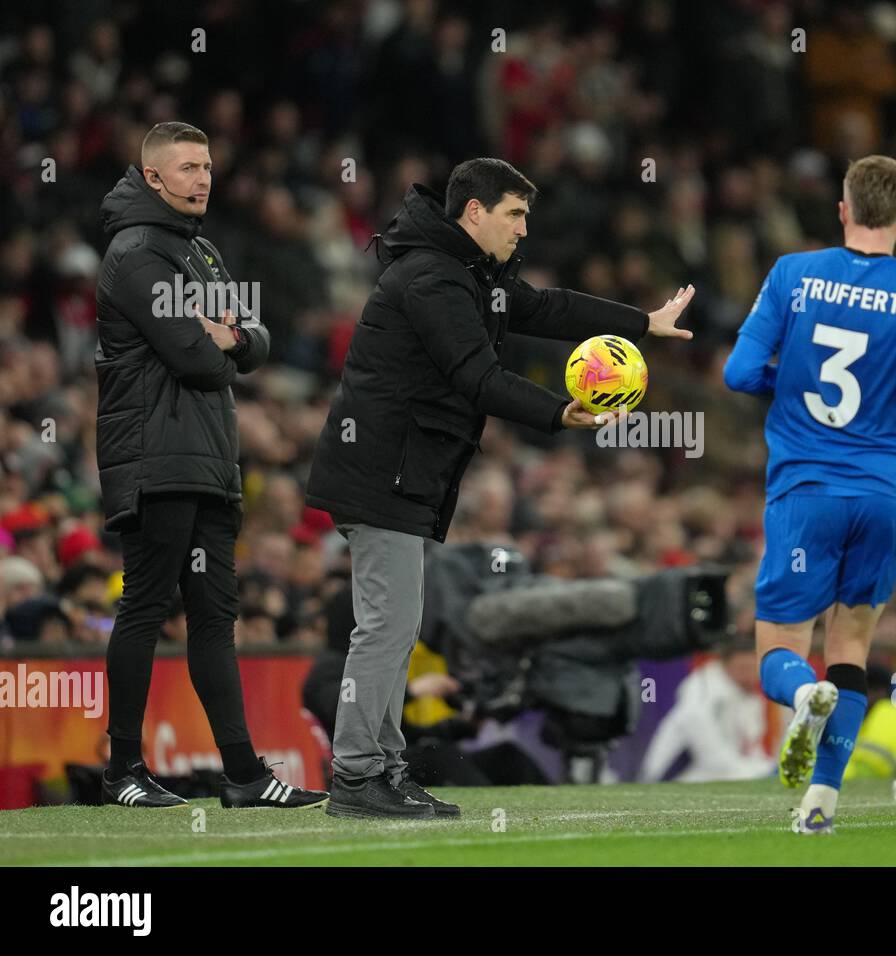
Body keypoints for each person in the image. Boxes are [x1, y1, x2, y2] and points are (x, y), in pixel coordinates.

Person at [305, 157, 694, 819]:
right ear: (475, 211)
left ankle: (384, 771)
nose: (522, 230)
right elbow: (476, 376)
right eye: (514, 214)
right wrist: (558, 412)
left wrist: (640, 322)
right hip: (382, 474)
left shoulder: (461, 273)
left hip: (403, 474)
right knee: (385, 630)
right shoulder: (432, 277)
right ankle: (358, 776)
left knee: (396, 629)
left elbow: (545, 306)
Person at [723, 155, 896, 834]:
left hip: (806, 487)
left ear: (843, 209)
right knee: (854, 649)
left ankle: (803, 694)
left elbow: (740, 371)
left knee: (780, 644)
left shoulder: (792, 274)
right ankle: (821, 805)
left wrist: (794, 379)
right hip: (888, 494)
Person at [96, 121, 326, 809]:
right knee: (144, 606)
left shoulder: (201, 251)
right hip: (156, 454)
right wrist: (220, 334)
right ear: (155, 178)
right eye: (188, 167)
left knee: (214, 618)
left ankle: (245, 775)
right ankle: (122, 773)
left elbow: (255, 342)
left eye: (208, 166)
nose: (203, 178)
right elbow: (196, 358)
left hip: (209, 457)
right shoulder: (136, 253)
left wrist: (225, 332)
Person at [640, 642, 774, 783]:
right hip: (676, 776)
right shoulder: (702, 690)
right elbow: (713, 758)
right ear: (724, 665)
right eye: (743, 669)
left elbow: (751, 748)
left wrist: (765, 768)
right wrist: (759, 771)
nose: (750, 677)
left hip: (717, 772)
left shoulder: (748, 696)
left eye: (754, 669)